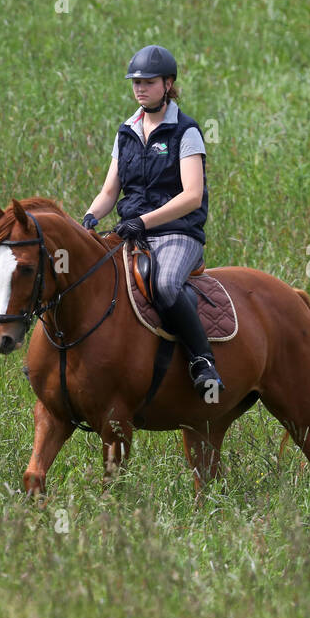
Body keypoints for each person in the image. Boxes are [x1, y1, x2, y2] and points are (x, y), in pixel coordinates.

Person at [81, 44, 223, 397]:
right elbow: (110, 192)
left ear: (168, 83)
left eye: (148, 81)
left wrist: (144, 221)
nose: (140, 88)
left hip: (178, 232)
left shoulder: (185, 132)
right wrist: (88, 217)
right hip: (131, 232)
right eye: (136, 82)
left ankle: (202, 360)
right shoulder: (126, 132)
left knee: (164, 285)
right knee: (85, 279)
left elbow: (191, 195)